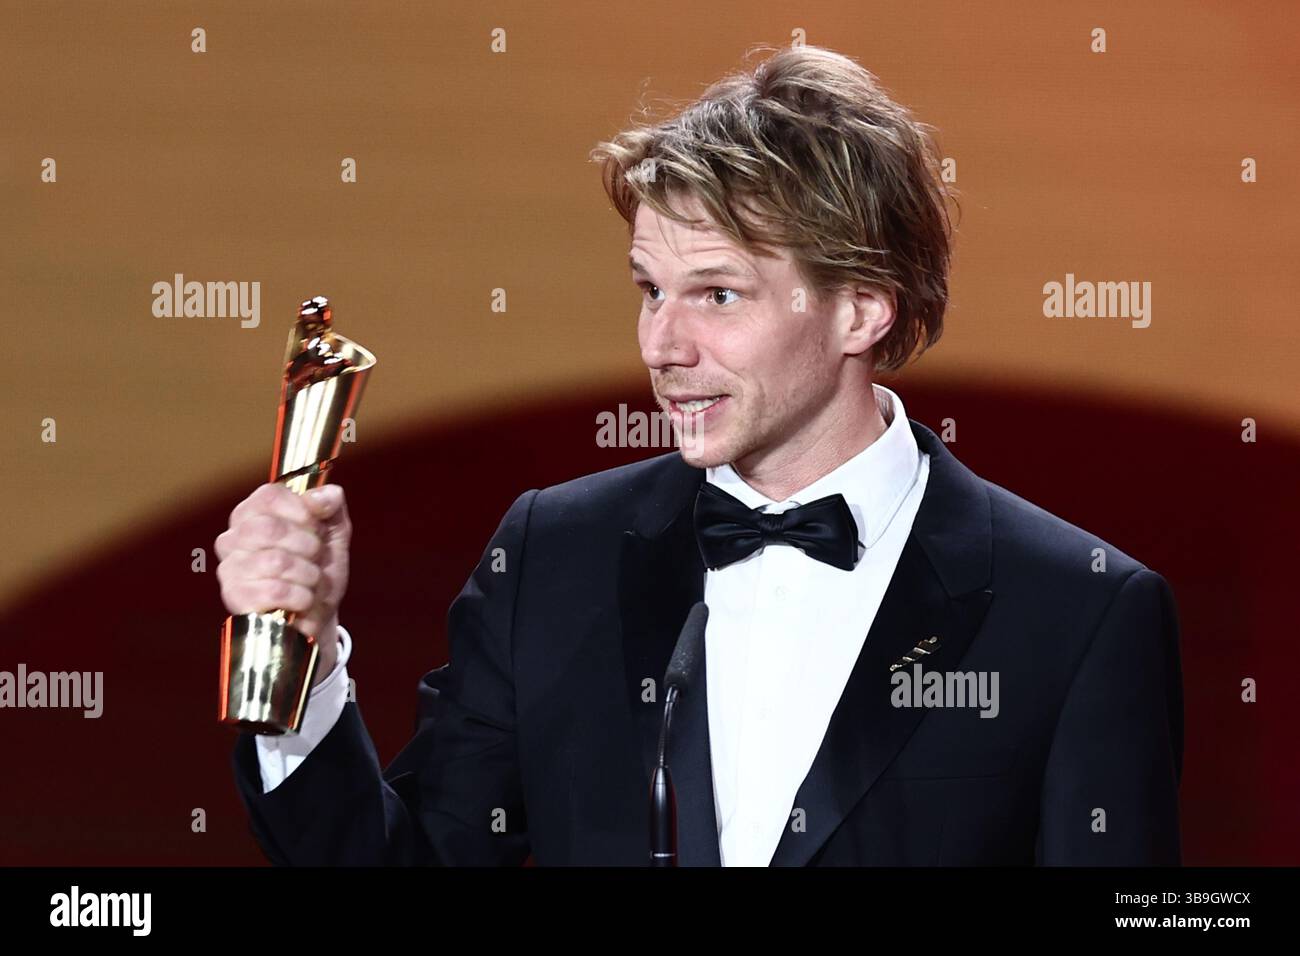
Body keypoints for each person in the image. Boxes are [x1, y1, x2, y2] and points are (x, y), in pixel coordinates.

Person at [217, 44, 1182, 866]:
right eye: (649, 288)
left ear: (861, 307)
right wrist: (292, 655)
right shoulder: (555, 556)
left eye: (716, 294)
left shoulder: (1079, 611)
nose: (661, 345)